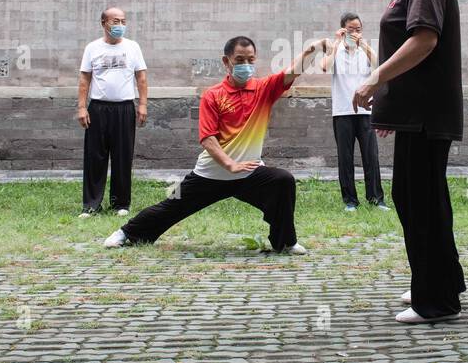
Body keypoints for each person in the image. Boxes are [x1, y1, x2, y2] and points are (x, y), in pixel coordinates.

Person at [104, 35, 326, 253]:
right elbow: (208, 139)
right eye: (240, 60)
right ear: (226, 61)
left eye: (250, 60)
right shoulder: (213, 95)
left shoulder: (263, 89)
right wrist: (230, 164)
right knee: (172, 206)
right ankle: (125, 233)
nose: (246, 65)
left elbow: (292, 72)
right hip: (211, 174)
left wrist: (311, 50)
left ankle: (285, 242)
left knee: (282, 181)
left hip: (248, 172)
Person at [353, 0, 465, 325]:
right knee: (423, 198)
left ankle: (434, 299)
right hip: (418, 113)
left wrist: (374, 79)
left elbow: (423, 41)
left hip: (426, 114)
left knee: (419, 199)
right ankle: (438, 280)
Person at [77, 6, 149, 218]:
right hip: (98, 108)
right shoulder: (92, 48)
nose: (120, 26)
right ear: (104, 23)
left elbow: (141, 78)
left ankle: (120, 203)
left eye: (123, 21)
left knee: (123, 156)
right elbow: (84, 79)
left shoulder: (133, 47)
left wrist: (142, 104)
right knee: (94, 157)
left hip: (124, 108)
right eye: (115, 21)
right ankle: (91, 204)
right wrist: (82, 107)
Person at [320, 12, 388, 211]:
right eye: (351, 29)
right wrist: (336, 43)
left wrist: (364, 45)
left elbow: (381, 66)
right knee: (345, 158)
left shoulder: (365, 50)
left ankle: (376, 199)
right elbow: (324, 67)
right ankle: (350, 201)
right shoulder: (336, 49)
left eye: (358, 29)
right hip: (342, 112)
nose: (355, 33)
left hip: (366, 112)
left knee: (371, 156)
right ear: (343, 29)